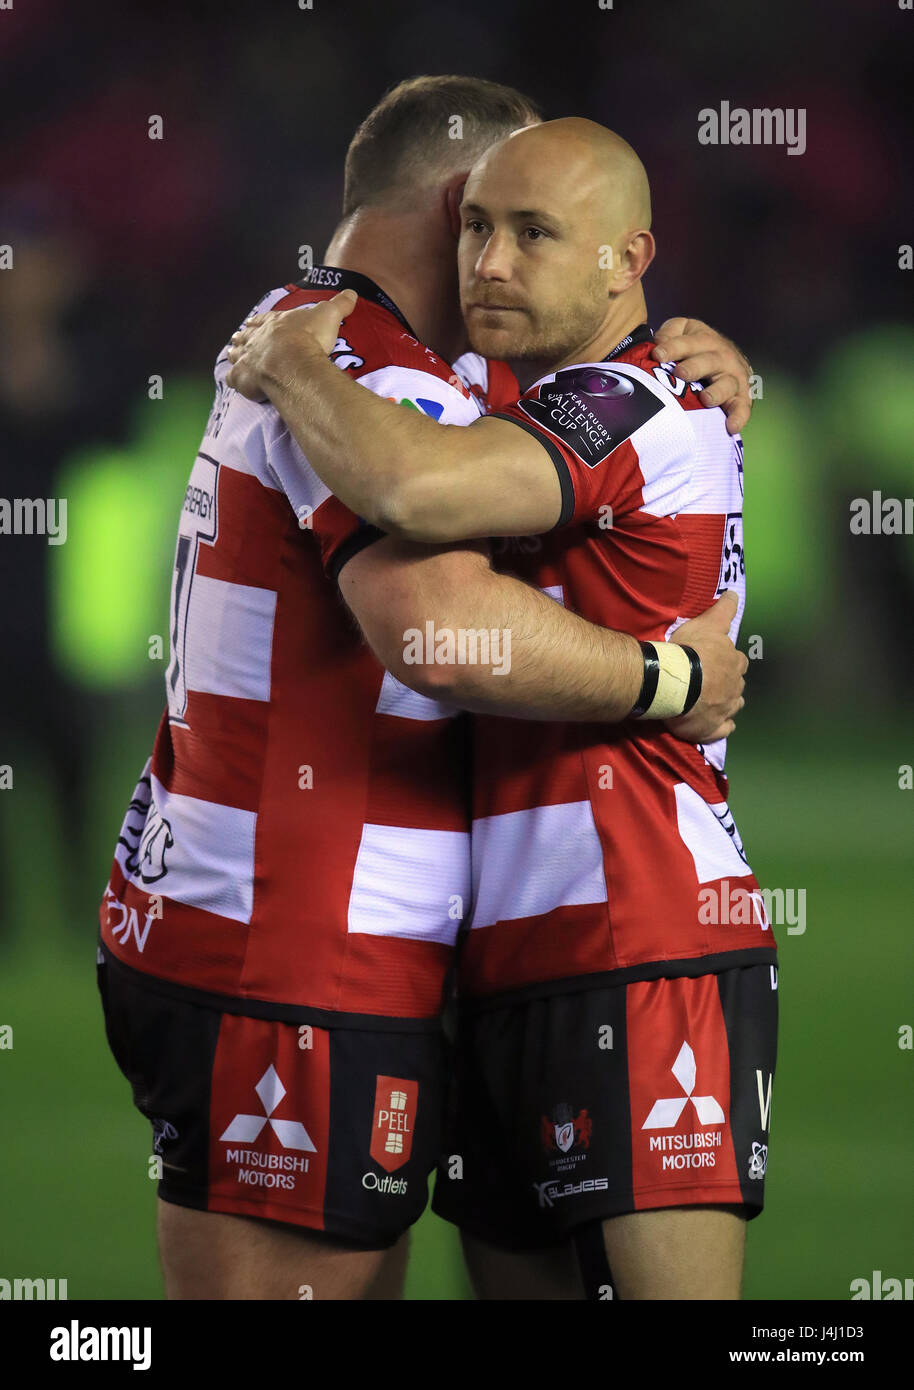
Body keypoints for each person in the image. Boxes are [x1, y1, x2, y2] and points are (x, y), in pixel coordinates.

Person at [98, 77, 750, 1302]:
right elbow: (441, 635)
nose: (508, 255)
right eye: (504, 219)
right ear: (464, 203)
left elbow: (563, 450)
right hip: (297, 945)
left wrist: (675, 372)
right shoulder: (369, 383)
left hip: (249, 916)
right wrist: (669, 678)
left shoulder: (321, 337)